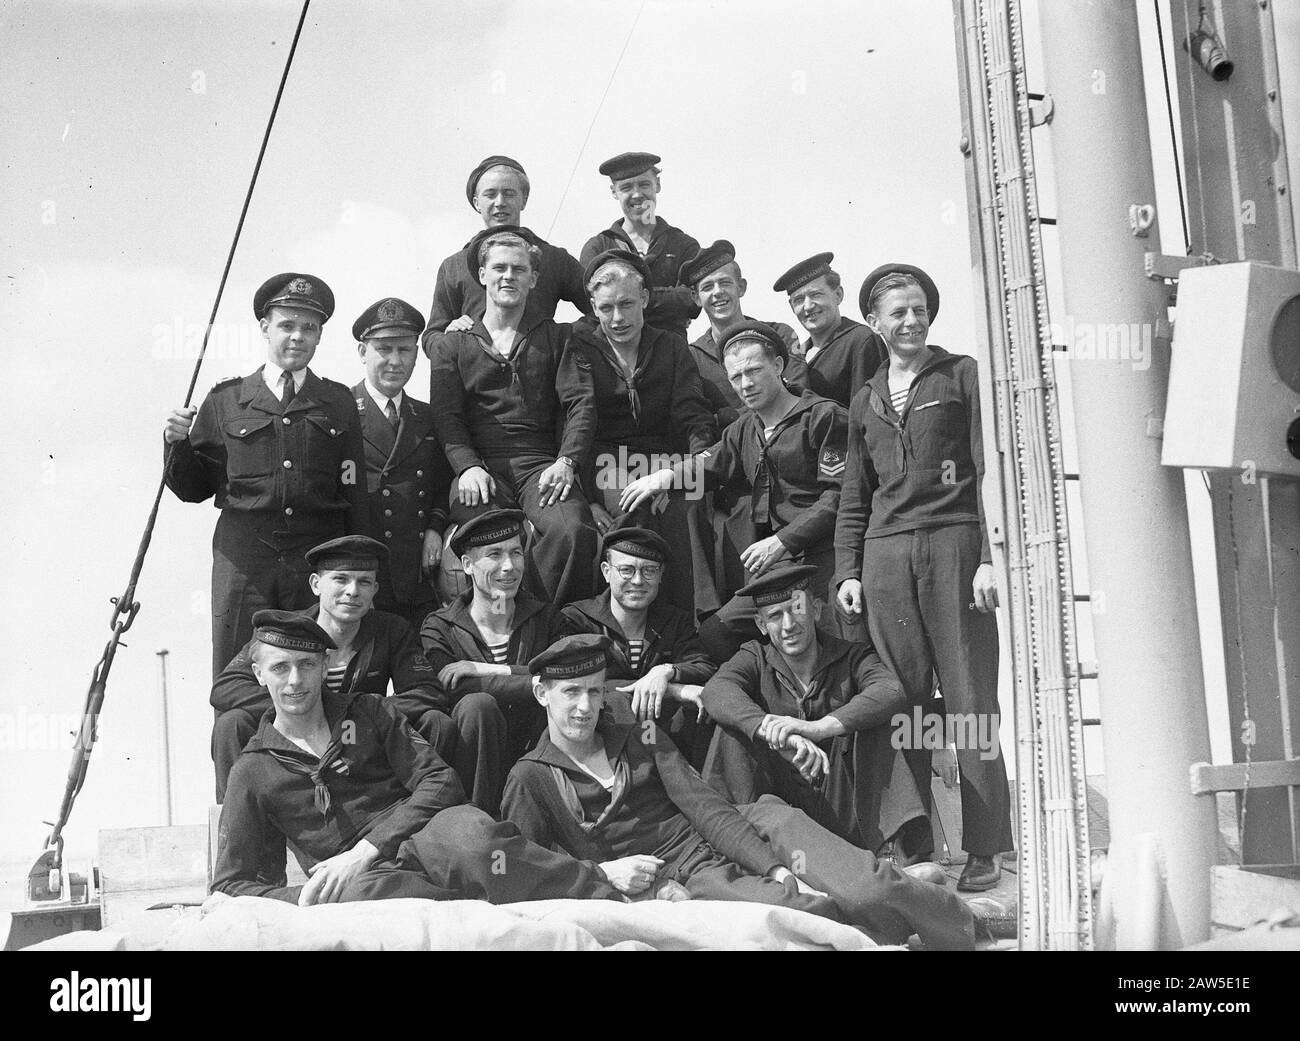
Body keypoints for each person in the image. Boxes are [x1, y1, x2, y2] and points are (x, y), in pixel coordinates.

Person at [501, 633, 976, 950]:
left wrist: (775, 867)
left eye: (595, 691)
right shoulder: (532, 777)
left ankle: (962, 920)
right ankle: (909, 902)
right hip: (688, 872)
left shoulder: (635, 734)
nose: (586, 707)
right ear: (542, 694)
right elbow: (531, 875)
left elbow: (704, 805)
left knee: (861, 886)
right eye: (571, 693)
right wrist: (604, 873)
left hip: (746, 824)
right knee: (804, 914)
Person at [212, 609, 624, 906]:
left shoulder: (370, 712)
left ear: (324, 666)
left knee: (478, 845)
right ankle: (481, 910)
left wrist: (366, 849)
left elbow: (441, 782)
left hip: (427, 831)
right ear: (258, 673)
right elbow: (233, 883)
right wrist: (306, 893)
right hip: (368, 879)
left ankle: (600, 880)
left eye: (306, 665)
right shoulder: (253, 769)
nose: (296, 681)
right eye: (280, 668)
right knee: (362, 901)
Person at [834, 262, 1014, 891]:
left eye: (919, 309)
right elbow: (855, 497)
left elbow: (990, 468)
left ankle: (986, 847)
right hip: (884, 559)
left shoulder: (962, 374)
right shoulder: (865, 398)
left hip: (955, 544)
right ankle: (917, 846)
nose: (911, 321)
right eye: (897, 312)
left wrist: (992, 557)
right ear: (874, 323)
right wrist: (845, 573)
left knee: (967, 700)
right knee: (901, 702)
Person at [619, 320, 858, 664]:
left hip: (823, 557)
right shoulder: (746, 426)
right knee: (717, 632)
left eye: (754, 371)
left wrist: (782, 541)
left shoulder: (824, 418)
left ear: (778, 366)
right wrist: (661, 478)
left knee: (834, 650)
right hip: (776, 569)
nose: (745, 384)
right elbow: (712, 461)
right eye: (735, 378)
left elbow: (839, 497)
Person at [163, 273, 365, 678]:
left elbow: (353, 492)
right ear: (264, 328)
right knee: (237, 674)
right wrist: (175, 443)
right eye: (287, 325)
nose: (297, 337)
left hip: (314, 560)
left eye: (309, 328)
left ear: (320, 336)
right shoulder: (226, 399)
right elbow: (192, 489)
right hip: (244, 561)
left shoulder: (338, 402)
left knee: (312, 670)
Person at [700, 563, 928, 857]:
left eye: (796, 609)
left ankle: (890, 853)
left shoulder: (851, 655)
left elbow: (891, 690)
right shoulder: (755, 657)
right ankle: (738, 852)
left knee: (876, 721)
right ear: (760, 625)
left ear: (817, 610)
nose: (788, 625)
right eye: (775, 616)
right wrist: (781, 735)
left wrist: (817, 728)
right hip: (783, 809)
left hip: (844, 808)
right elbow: (716, 691)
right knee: (731, 726)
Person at [209, 535, 450, 803]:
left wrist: (361, 710)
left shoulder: (391, 630)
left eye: (364, 581)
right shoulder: (281, 628)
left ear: (375, 589)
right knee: (231, 723)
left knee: (436, 720)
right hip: (295, 745)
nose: (353, 591)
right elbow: (225, 688)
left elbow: (428, 693)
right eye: (341, 579)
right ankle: (237, 818)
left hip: (362, 746)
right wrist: (306, 708)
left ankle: (429, 811)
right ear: (316, 584)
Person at [428, 230, 599, 605]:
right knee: (490, 539)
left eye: (519, 270)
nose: (509, 276)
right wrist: (467, 467)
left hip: (541, 465)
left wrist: (567, 461)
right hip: (480, 466)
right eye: (499, 268)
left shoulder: (558, 337)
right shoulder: (453, 344)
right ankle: (489, 635)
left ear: (534, 279)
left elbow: (580, 405)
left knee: (572, 531)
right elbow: (446, 416)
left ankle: (551, 626)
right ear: (482, 274)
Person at [570, 249, 718, 617]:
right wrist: (587, 495)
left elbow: (691, 412)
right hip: (606, 461)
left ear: (646, 300)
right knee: (627, 505)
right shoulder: (578, 346)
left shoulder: (670, 345)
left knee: (691, 506)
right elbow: (575, 420)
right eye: (606, 308)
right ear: (592, 307)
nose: (617, 318)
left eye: (626, 304)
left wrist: (697, 460)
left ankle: (692, 622)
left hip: (665, 458)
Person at [419, 510, 561, 816]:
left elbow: (563, 679)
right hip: (472, 758)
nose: (508, 566)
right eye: (494, 555)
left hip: (532, 749)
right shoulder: (440, 626)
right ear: (468, 565)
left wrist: (490, 669)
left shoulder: (545, 617)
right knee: (477, 705)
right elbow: (453, 688)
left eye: (515, 553)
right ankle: (479, 823)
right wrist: (536, 680)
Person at [558, 525, 715, 765]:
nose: (638, 580)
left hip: (665, 742)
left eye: (649, 570)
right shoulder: (577, 619)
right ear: (606, 572)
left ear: (661, 575)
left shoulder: (674, 621)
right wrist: (672, 689)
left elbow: (703, 665)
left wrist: (666, 671)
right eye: (626, 570)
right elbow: (575, 683)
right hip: (599, 746)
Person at [421, 155, 590, 357]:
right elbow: (432, 337)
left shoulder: (553, 258)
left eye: (509, 194)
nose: (500, 202)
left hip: (541, 378)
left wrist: (563, 337)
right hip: (475, 380)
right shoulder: (454, 267)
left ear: (524, 200)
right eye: (490, 194)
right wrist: (450, 336)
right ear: (477, 203)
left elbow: (600, 307)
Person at [350, 297, 452, 623]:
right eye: (384, 349)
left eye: (405, 350)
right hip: (361, 578)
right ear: (363, 352)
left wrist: (435, 528)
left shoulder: (427, 416)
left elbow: (442, 482)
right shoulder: (340, 411)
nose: (395, 361)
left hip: (418, 575)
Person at [679, 239, 805, 430]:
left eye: (725, 282)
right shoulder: (693, 356)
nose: (718, 292)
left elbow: (798, 393)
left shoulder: (780, 335)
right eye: (707, 287)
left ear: (741, 287)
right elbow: (699, 419)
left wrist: (726, 416)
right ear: (696, 297)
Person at [580, 152, 700, 339]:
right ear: (614, 191)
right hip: (614, 353)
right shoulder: (598, 247)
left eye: (644, 184)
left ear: (657, 185)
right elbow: (592, 305)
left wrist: (626, 297)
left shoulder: (683, 244)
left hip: (670, 352)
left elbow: (691, 301)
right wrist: (665, 299)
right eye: (626, 187)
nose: (637, 194)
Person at [773, 252, 887, 408]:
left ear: (838, 295)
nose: (808, 306)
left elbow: (866, 413)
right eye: (799, 300)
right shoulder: (798, 354)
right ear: (792, 307)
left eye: (816, 294)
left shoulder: (860, 340)